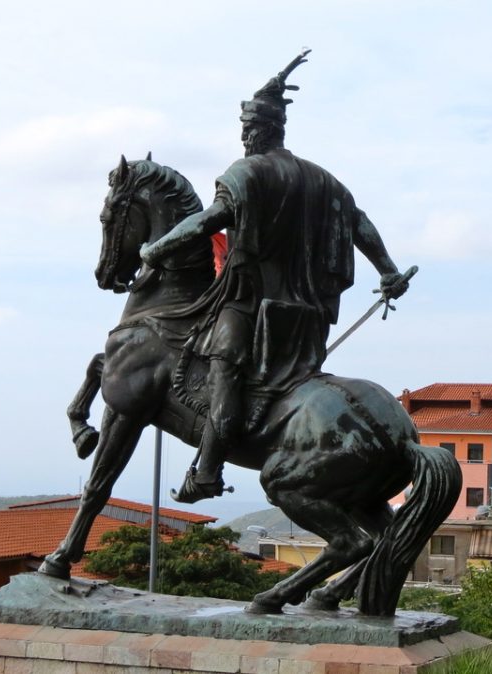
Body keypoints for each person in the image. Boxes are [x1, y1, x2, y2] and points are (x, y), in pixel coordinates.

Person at [140, 50, 409, 502]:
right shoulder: (325, 181)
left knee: (224, 370)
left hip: (251, 305)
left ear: (260, 130)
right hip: (307, 319)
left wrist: (157, 246)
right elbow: (359, 224)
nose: (244, 137)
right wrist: (388, 271)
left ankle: (207, 468)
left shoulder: (249, 172)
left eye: (247, 129)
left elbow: (210, 219)